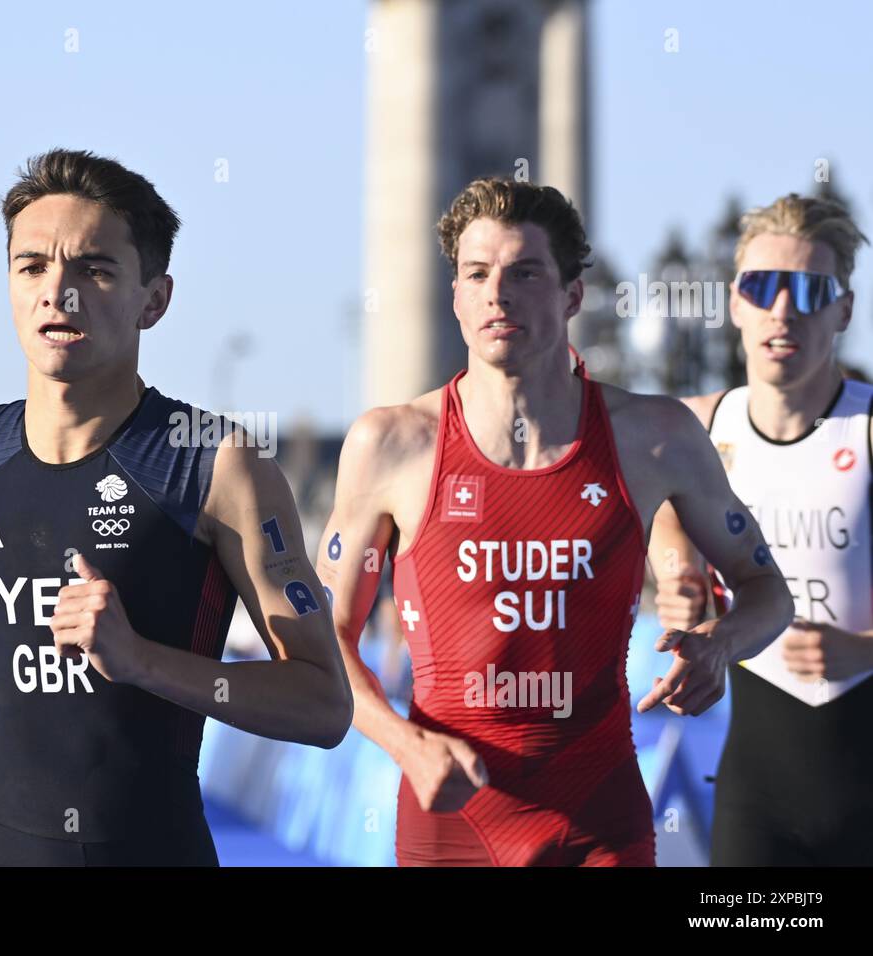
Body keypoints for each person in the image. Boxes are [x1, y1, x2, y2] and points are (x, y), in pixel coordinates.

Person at [0, 148, 353, 866]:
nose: (58, 293)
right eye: (32, 267)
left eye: (94, 270)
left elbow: (323, 705)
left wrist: (139, 661)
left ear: (154, 300)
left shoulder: (215, 466)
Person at [317, 177, 794, 866]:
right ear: (455, 296)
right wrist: (405, 743)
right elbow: (321, 637)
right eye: (476, 274)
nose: (497, 294)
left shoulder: (653, 436)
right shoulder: (391, 443)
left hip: (599, 818)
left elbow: (767, 590)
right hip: (454, 822)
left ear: (572, 295)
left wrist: (720, 645)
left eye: (525, 272)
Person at [648, 192, 873, 865]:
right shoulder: (694, 427)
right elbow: (663, 517)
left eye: (809, 290)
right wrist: (677, 573)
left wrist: (866, 651)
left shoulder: (864, 429)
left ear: (844, 310)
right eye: (762, 286)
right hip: (757, 797)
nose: (782, 310)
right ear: (735, 303)